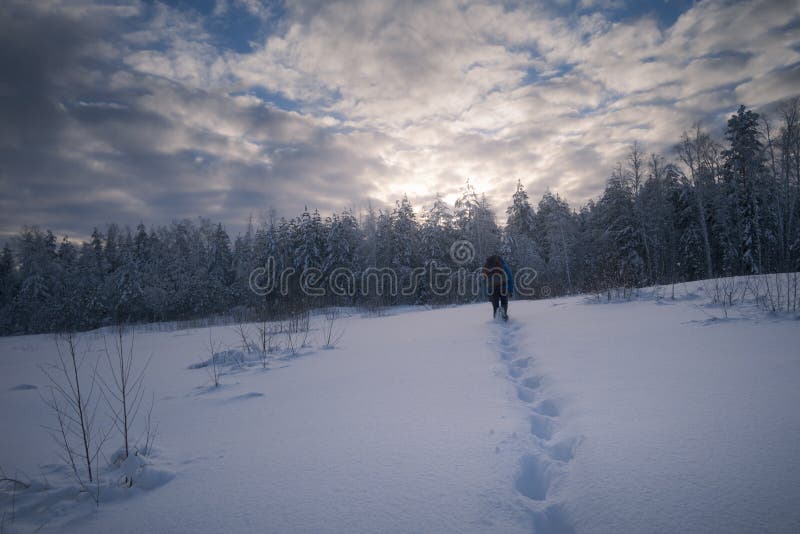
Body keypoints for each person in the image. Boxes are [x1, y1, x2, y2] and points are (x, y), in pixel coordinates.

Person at [482, 254, 513, 321]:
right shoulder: (503, 265)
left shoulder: (488, 267)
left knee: (495, 305)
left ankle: (496, 320)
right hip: (503, 286)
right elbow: (510, 278)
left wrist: (488, 293)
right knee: (504, 302)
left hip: (493, 288)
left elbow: (486, 281)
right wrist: (510, 290)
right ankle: (504, 317)